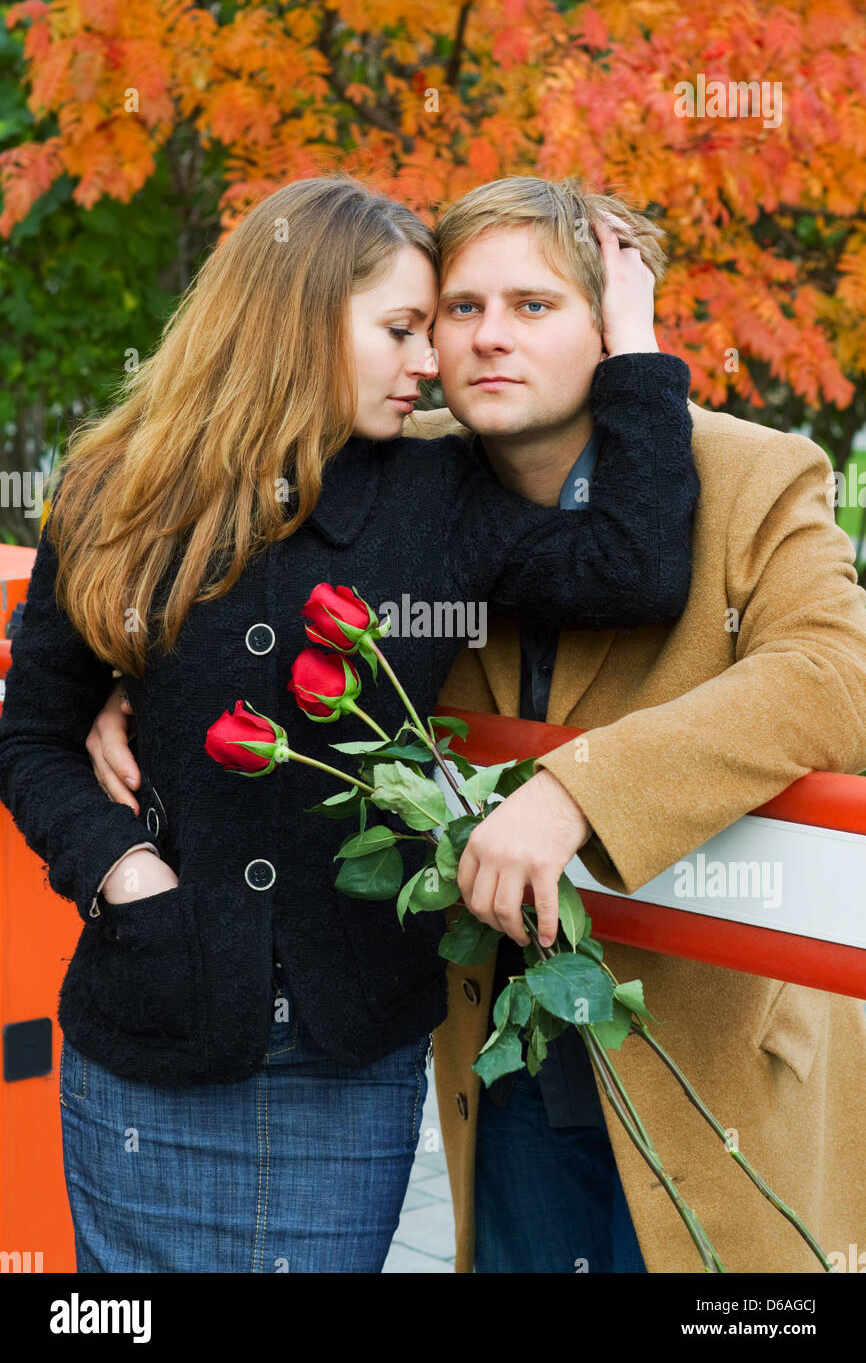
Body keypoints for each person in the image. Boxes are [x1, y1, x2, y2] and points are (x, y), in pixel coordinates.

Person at [0, 174, 698, 1273]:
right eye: (404, 330)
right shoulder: (114, 492)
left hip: (348, 1053)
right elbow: (33, 734)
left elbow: (634, 566)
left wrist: (633, 344)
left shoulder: (437, 493)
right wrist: (123, 872)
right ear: (297, 318)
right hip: (145, 1038)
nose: (432, 361)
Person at [404, 175, 866, 1273]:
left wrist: (577, 791)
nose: (487, 338)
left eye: (531, 305)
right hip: (505, 1043)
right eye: (460, 308)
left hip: (711, 1043)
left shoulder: (749, 470)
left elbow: (831, 674)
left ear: (609, 325)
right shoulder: (404, 474)